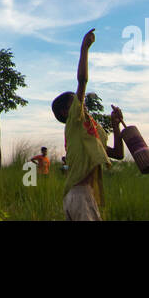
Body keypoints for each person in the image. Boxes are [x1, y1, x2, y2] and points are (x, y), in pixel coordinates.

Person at [50, 28, 124, 221]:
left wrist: (115, 125)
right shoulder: (74, 123)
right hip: (79, 195)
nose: (81, 104)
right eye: (75, 102)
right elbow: (82, 81)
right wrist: (84, 49)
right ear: (67, 112)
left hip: (83, 196)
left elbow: (118, 154)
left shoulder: (86, 135)